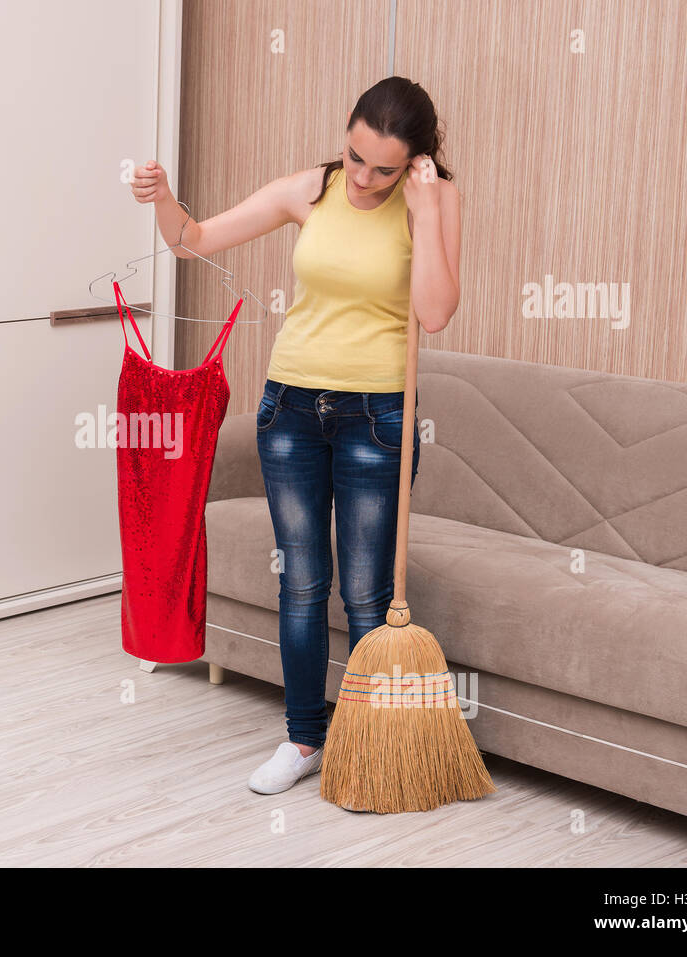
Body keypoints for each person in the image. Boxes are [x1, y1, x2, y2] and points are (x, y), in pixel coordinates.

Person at [129, 76, 462, 794]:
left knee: (370, 594)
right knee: (304, 584)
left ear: (417, 160)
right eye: (357, 158)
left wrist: (428, 209)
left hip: (379, 418)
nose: (367, 179)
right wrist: (162, 199)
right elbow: (191, 240)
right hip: (290, 410)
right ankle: (303, 738)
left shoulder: (429, 200)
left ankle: (377, 748)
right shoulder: (310, 191)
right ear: (344, 137)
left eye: (387, 168)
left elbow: (434, 312)